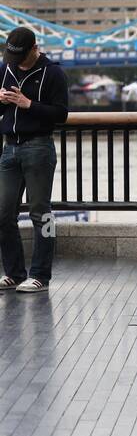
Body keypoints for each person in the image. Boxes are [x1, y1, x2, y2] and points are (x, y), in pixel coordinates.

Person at [0, 26, 70, 294]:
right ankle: (14, 273)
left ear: (34, 49)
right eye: (11, 59)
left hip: (38, 147)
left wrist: (29, 104)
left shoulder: (52, 73)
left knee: (42, 213)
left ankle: (41, 275)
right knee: (3, 214)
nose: (15, 64)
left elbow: (61, 114)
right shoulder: (6, 68)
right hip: (9, 149)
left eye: (20, 58)